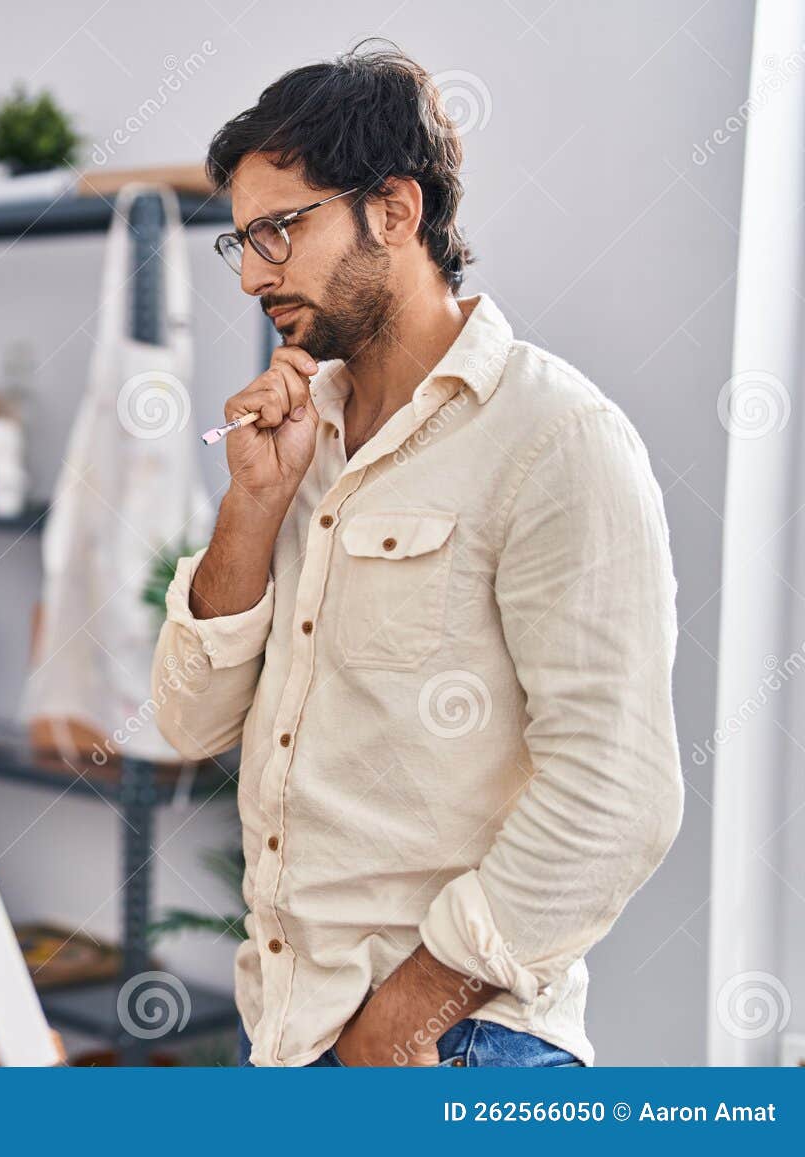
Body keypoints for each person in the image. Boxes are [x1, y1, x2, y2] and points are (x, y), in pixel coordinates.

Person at [153, 43, 682, 1067]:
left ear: (393, 210)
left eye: (279, 228)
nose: (256, 271)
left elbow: (615, 792)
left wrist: (407, 1017)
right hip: (291, 1031)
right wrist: (255, 506)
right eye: (240, 242)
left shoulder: (554, 437)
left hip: (458, 1047)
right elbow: (185, 722)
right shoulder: (299, 435)